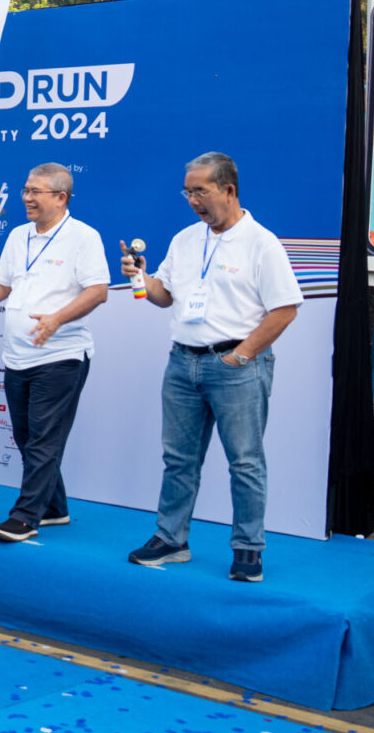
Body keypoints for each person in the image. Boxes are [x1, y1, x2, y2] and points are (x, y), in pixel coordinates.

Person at [126, 152, 301, 582]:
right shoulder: (186, 239)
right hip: (183, 363)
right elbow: (165, 295)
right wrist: (139, 278)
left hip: (236, 366)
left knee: (244, 462)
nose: (192, 200)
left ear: (229, 190)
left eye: (200, 191)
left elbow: (284, 309)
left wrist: (241, 355)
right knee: (179, 459)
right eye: (187, 192)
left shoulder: (262, 243)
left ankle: (248, 549)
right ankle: (171, 539)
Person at [0, 163, 109, 541]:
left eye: (36, 192)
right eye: (25, 190)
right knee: (26, 436)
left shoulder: (84, 237)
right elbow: (2, 285)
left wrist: (57, 319)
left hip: (61, 355)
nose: (27, 198)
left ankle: (26, 515)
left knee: (44, 437)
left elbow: (98, 290)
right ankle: (54, 507)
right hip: (16, 356)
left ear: (61, 198)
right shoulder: (18, 235)